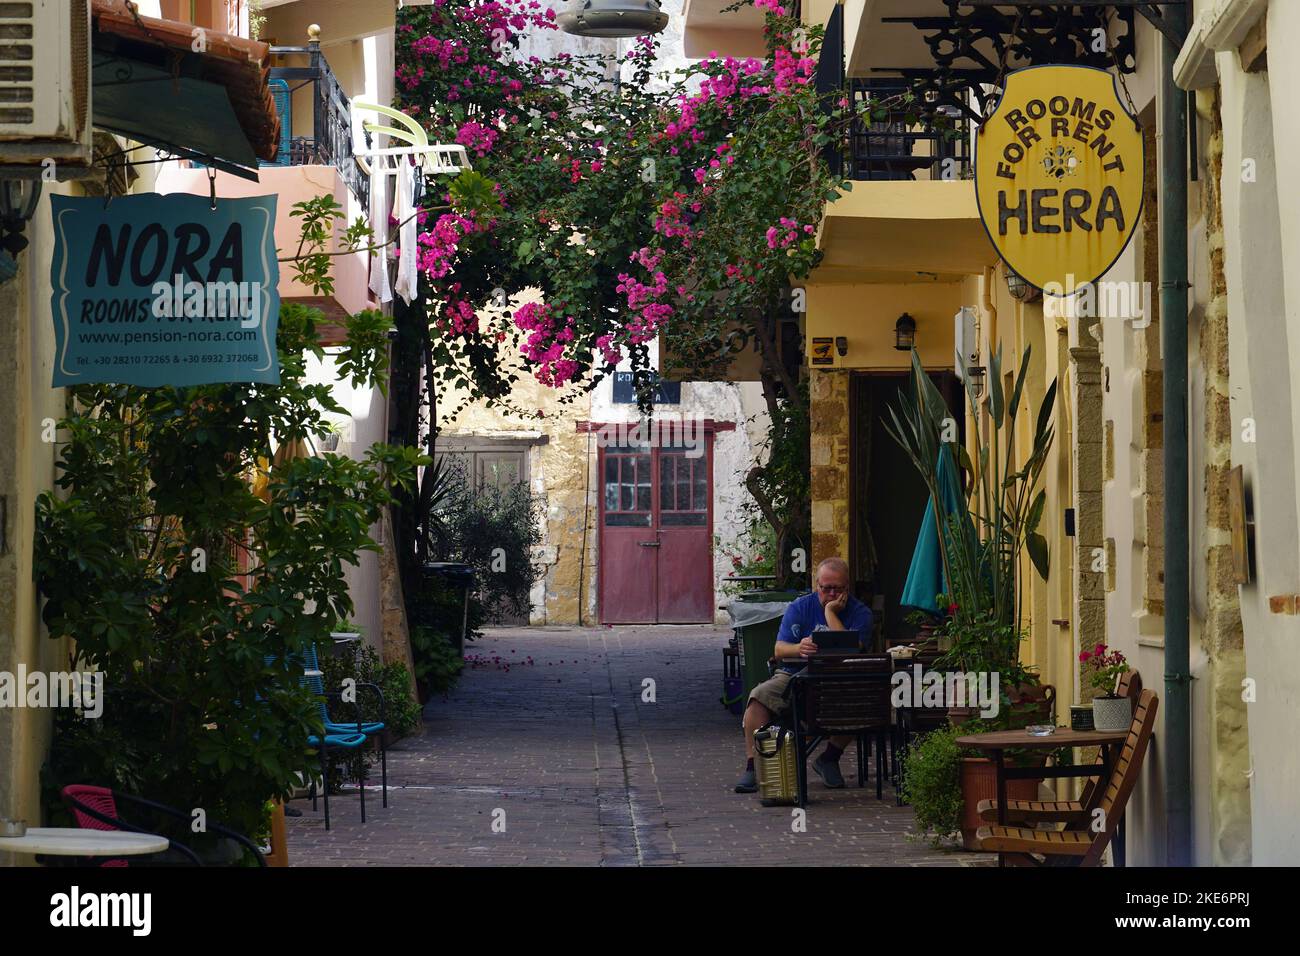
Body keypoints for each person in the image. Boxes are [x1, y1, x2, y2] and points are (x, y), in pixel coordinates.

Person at [734, 557, 873, 794]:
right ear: (816, 585)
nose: (830, 593)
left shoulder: (861, 613)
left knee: (862, 699)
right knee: (758, 697)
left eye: (836, 589)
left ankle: (829, 757)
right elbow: (778, 650)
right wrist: (799, 648)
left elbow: (850, 650)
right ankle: (753, 766)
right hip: (793, 674)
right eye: (825, 588)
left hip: (839, 679)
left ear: (846, 588)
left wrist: (830, 613)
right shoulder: (800, 607)